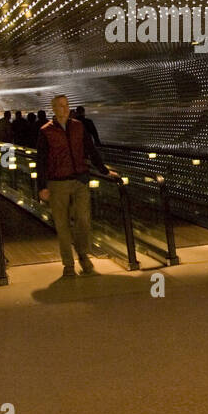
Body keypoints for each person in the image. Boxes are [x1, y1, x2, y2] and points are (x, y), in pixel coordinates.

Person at [37, 94, 117, 278]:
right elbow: (41, 160)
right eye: (60, 106)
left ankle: (83, 255)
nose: (65, 109)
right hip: (57, 183)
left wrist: (104, 171)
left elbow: (90, 150)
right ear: (53, 109)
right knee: (62, 225)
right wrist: (42, 186)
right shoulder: (46, 131)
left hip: (80, 180)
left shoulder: (78, 126)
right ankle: (68, 264)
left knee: (83, 220)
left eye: (66, 105)